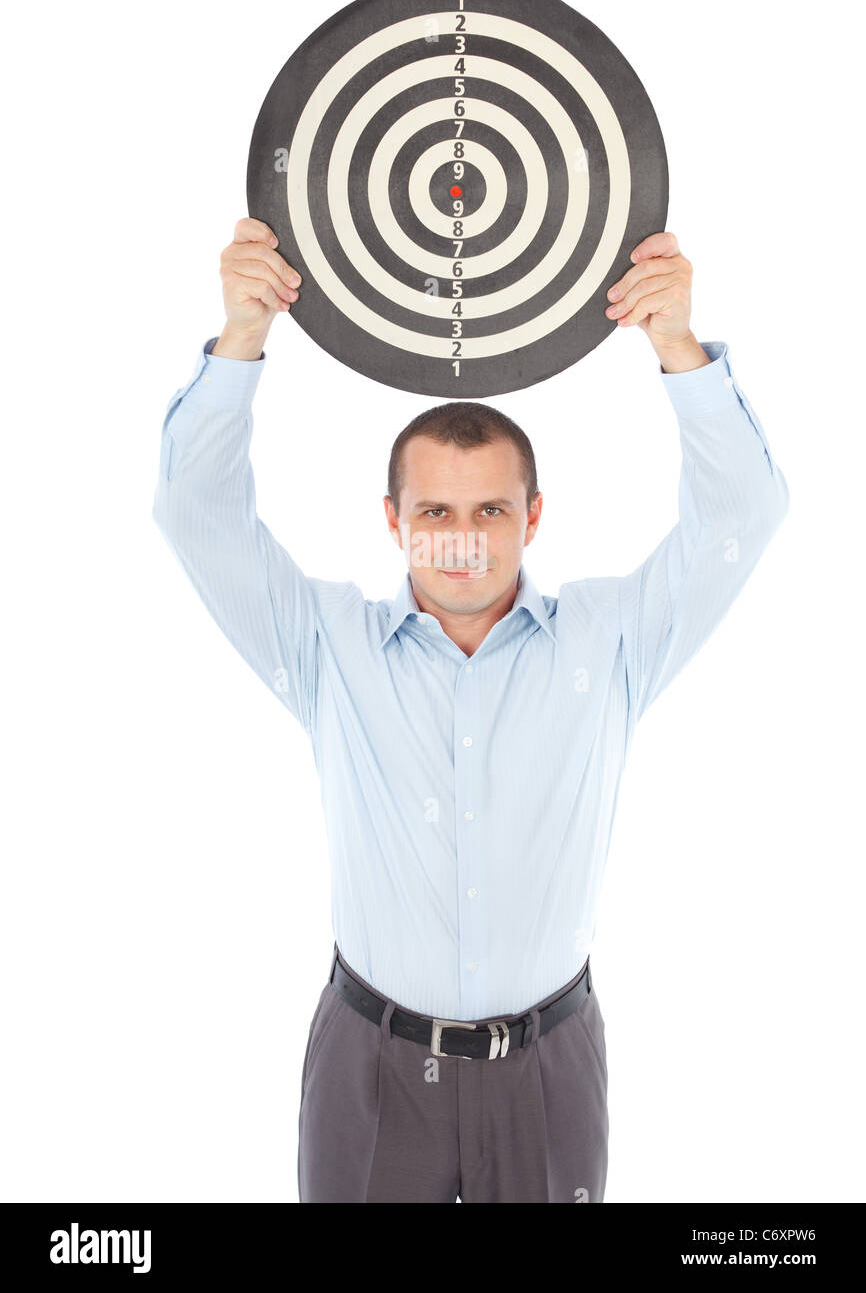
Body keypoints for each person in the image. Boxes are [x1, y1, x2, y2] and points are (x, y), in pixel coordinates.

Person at [152, 217, 789, 1203]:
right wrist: (240, 335)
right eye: (435, 513)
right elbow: (198, 516)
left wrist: (675, 347)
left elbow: (740, 515)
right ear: (392, 520)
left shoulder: (608, 639)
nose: (461, 540)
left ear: (530, 515)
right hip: (369, 1068)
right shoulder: (327, 648)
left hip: (549, 1067)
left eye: (488, 509)